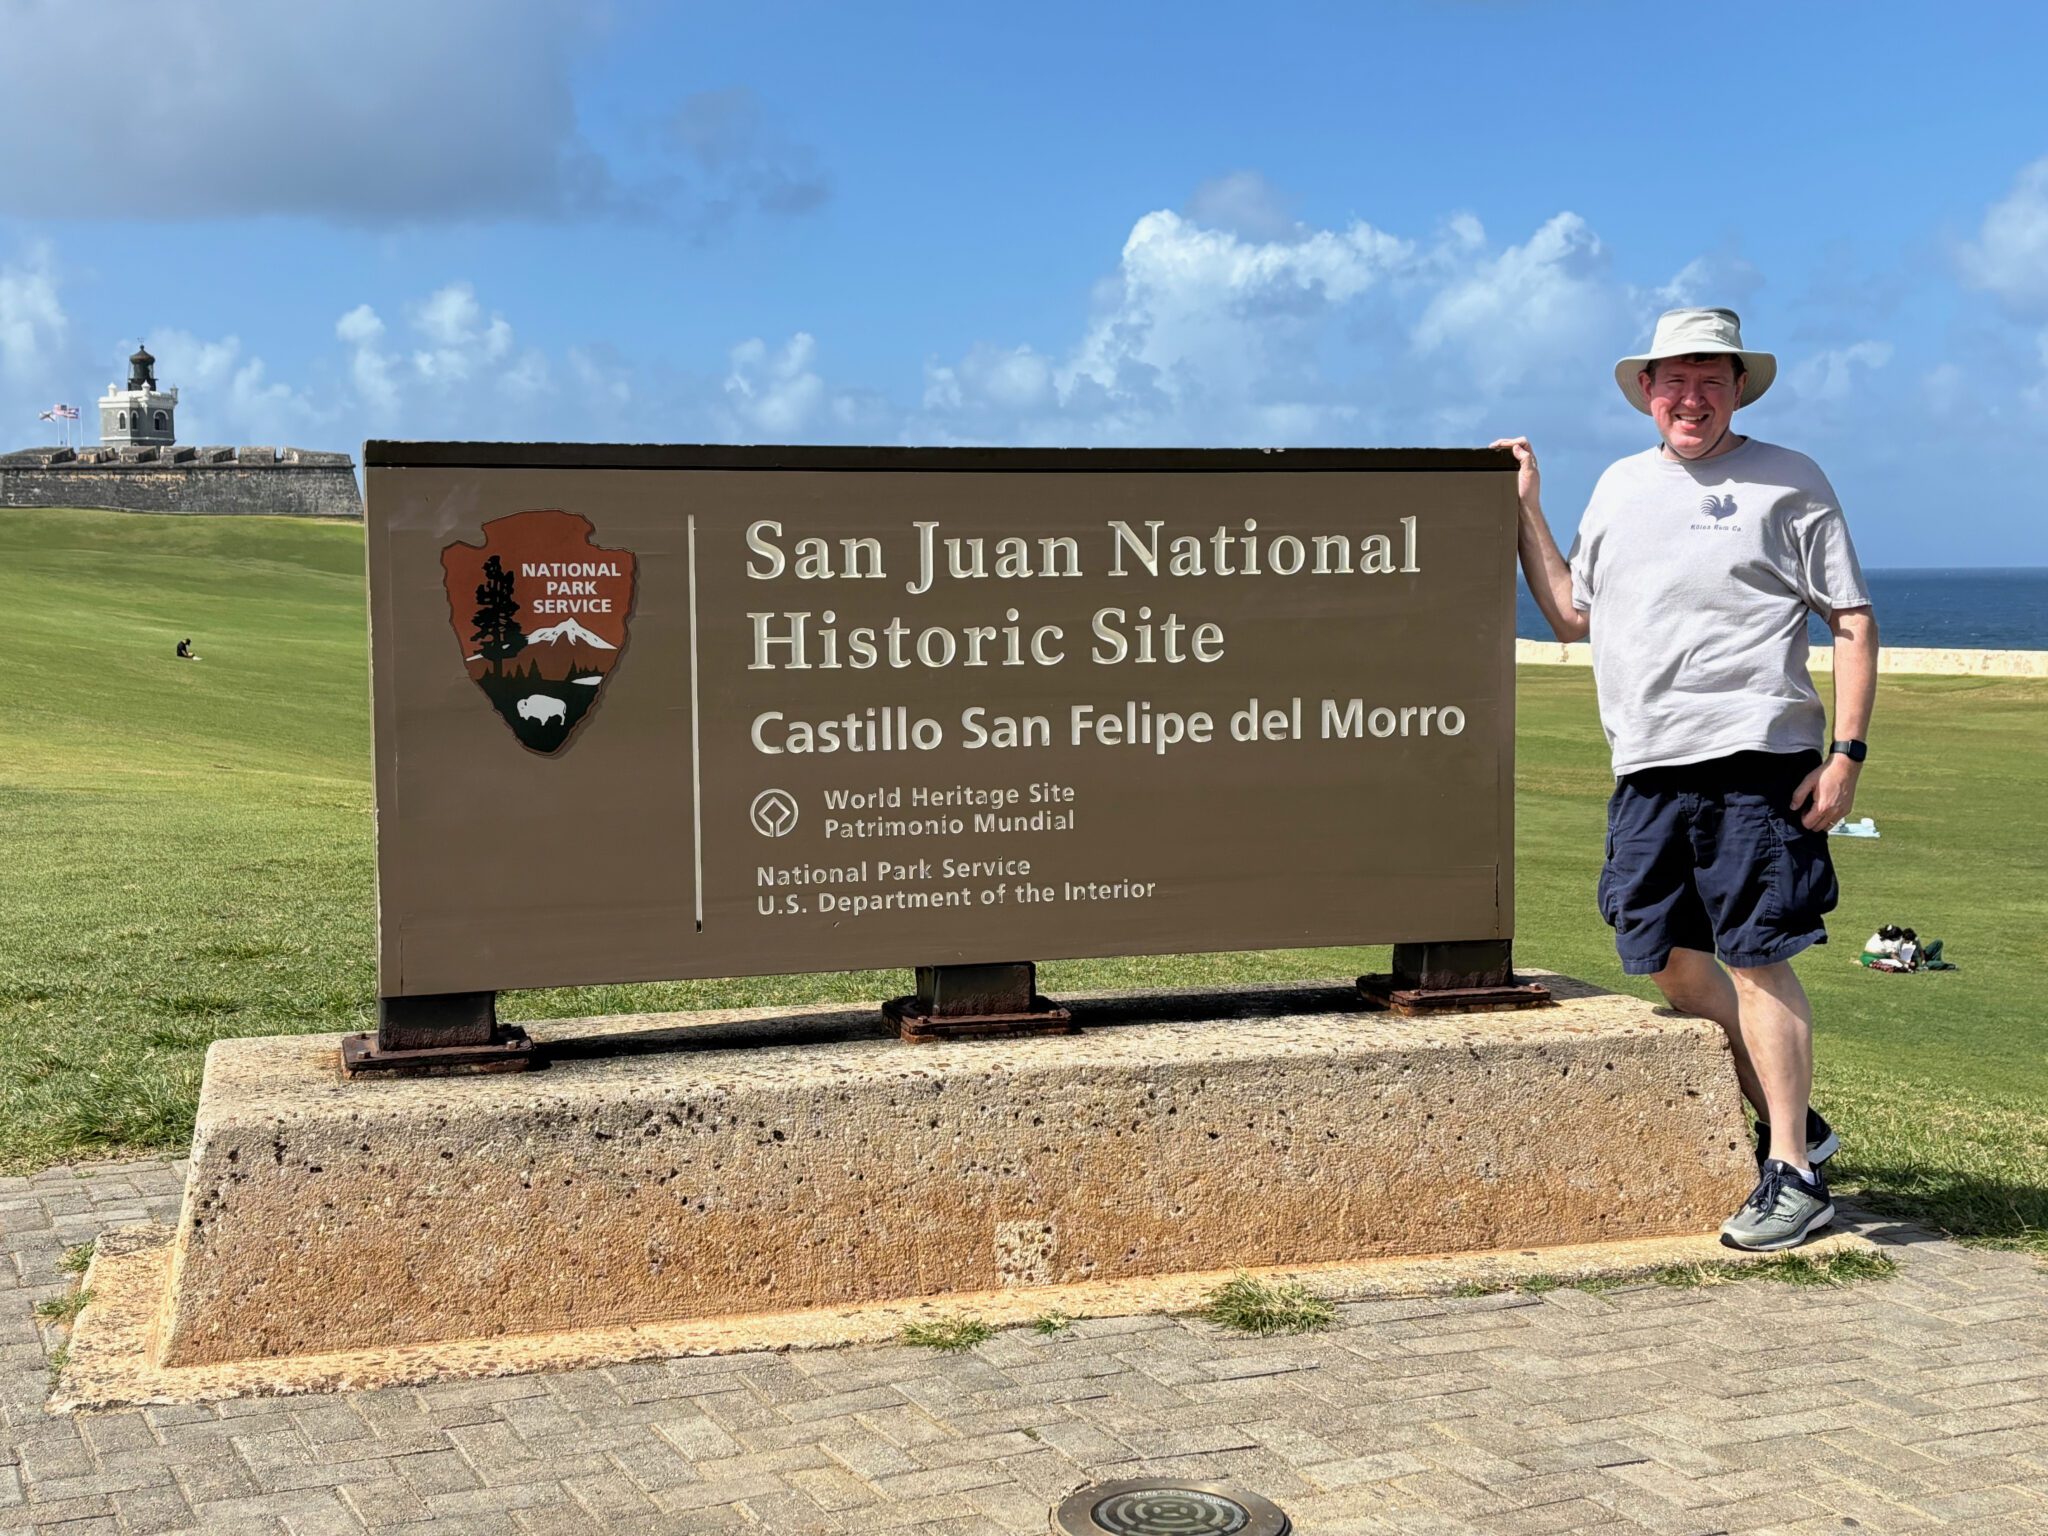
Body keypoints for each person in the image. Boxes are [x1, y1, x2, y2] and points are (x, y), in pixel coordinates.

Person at [1495, 307, 1879, 1252]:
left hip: (1759, 761)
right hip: (1648, 764)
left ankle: (1790, 1168)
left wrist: (1847, 754)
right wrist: (1524, 507)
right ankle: (1803, 1125)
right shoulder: (1619, 488)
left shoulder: (1792, 480)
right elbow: (1572, 616)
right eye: (1673, 381)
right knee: (1662, 954)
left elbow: (1853, 622)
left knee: (1756, 956)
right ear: (1646, 394)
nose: (1691, 398)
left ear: (1739, 387)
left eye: (1711, 380)